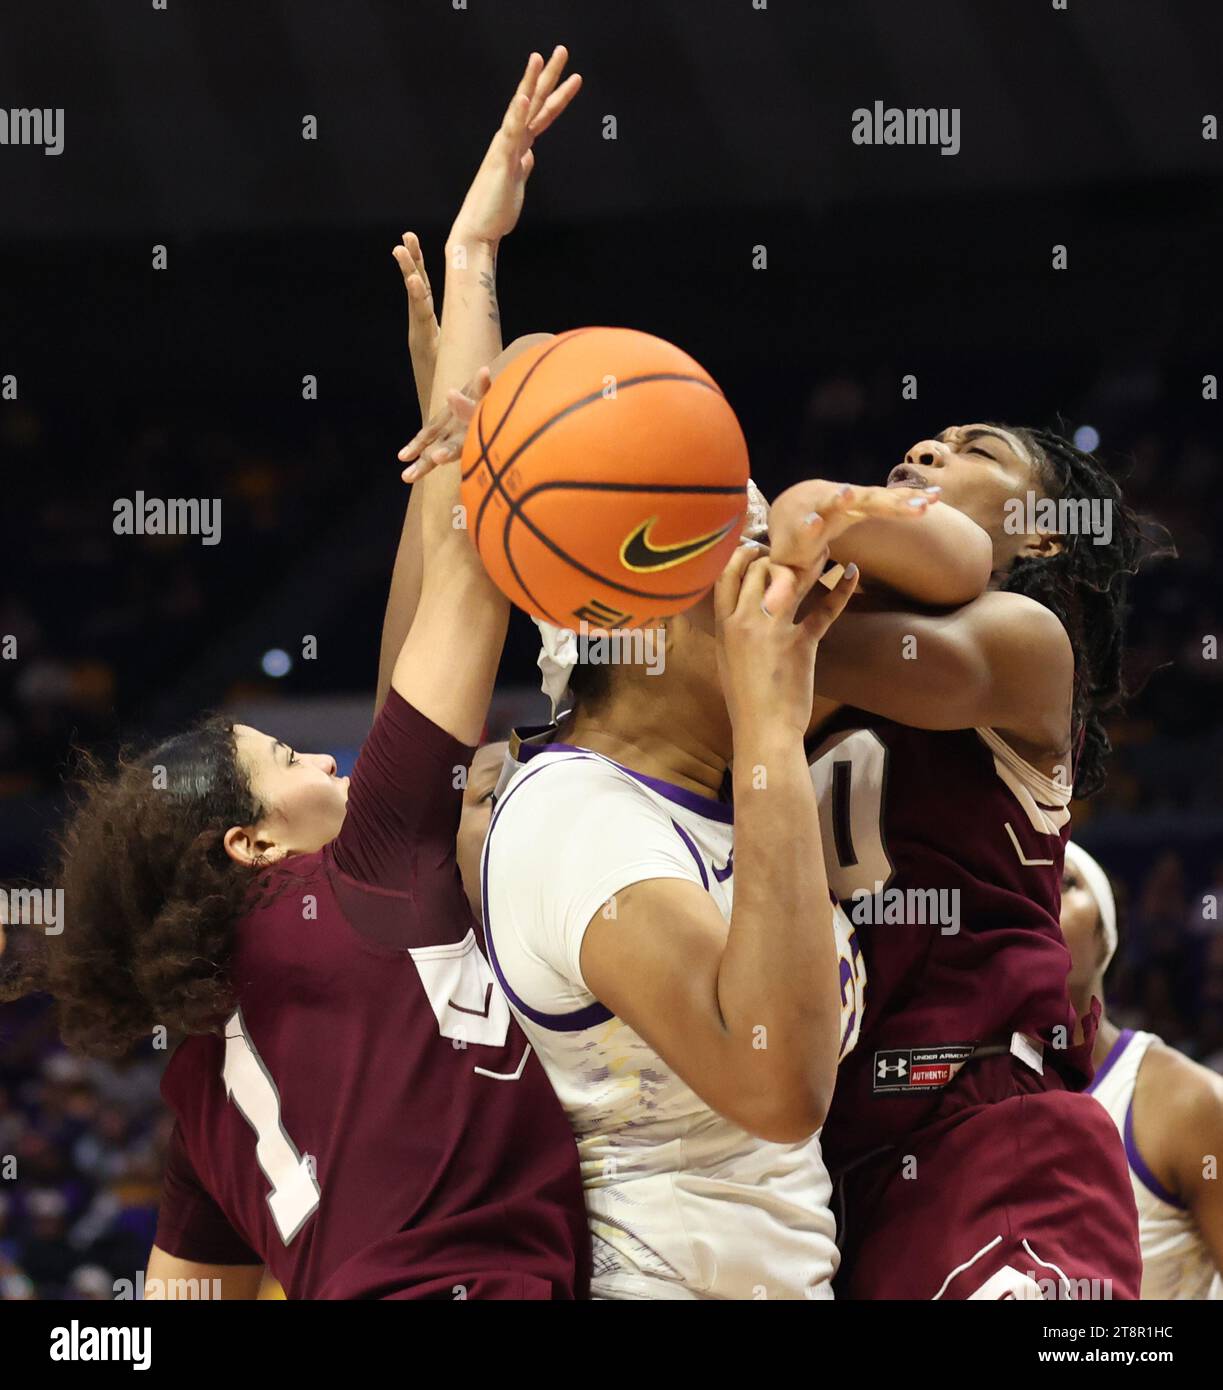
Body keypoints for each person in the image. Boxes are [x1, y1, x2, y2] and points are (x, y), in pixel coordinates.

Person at [1, 50, 590, 1301]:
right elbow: (474, 570)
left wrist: (447, 435)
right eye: (283, 763)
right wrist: (476, 286)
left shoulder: (202, 1068)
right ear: (251, 848)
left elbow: (173, 1308)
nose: (323, 757)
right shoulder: (369, 867)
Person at [762, 423, 1147, 1298]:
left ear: (1041, 532)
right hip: (833, 1165)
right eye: (924, 443)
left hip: (992, 1133)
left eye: (977, 451)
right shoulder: (838, 631)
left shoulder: (1027, 639)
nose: (928, 449)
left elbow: (780, 648)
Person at [1062, 840, 1223, 1299]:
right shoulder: (963, 1098)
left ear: (1105, 936)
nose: (1038, 899)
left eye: (1065, 882)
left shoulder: (1191, 1102)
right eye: (1020, 886)